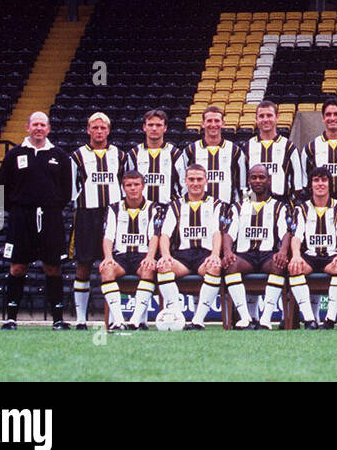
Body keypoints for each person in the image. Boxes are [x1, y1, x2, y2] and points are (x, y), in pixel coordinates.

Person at [0, 111, 71, 331]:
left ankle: (57, 319)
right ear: (27, 127)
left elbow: (66, 190)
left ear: (48, 129)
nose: (39, 128)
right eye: (35, 124)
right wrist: (18, 209)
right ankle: (10, 318)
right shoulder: (14, 155)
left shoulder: (59, 155)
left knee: (53, 267)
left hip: (50, 217)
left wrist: (52, 206)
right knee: (18, 267)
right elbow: (1, 188)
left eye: (43, 125)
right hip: (22, 218)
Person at [156, 163, 228, 329]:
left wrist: (215, 255)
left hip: (205, 255)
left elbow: (217, 233)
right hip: (183, 257)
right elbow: (165, 234)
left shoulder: (216, 204)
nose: (195, 183)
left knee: (215, 267)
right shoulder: (175, 205)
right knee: (163, 265)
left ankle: (198, 320)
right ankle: (175, 315)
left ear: (206, 181)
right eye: (191, 179)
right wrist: (165, 254)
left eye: (199, 179)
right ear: (185, 182)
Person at [221, 164, 293, 329]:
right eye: (254, 177)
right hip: (245, 256)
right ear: (249, 181)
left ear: (269, 180)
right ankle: (245, 318)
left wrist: (282, 251)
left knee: (279, 264)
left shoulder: (279, 206)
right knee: (230, 265)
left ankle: (266, 319)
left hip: (268, 254)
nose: (258, 181)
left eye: (262, 177)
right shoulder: (239, 206)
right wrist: (227, 252)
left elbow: (286, 232)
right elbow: (228, 233)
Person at [70, 111, 122, 329]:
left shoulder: (119, 155)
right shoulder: (77, 156)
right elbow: (72, 189)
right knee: (83, 264)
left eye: (103, 128)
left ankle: (113, 318)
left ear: (108, 130)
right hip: (86, 214)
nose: (99, 131)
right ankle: (81, 318)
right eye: (95, 127)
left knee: (112, 263)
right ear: (88, 130)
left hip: (112, 215)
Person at [285, 167, 337, 329]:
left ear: (330, 184)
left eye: (324, 180)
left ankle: (330, 320)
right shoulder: (302, 208)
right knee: (294, 267)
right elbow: (297, 236)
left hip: (331, 256)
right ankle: (309, 320)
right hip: (310, 256)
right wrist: (296, 255)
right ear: (310, 184)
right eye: (316, 180)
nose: (320, 184)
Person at [97, 171, 160, 330]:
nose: (133, 188)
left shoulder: (153, 207)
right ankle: (118, 320)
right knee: (106, 269)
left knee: (149, 268)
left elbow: (154, 236)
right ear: (123, 187)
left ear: (143, 186)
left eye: (136, 185)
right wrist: (108, 257)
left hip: (142, 255)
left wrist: (150, 257)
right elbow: (108, 236)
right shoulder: (114, 208)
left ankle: (135, 320)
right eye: (129, 185)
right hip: (121, 257)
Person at [289, 98, 337, 204]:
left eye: (336, 114)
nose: (332, 118)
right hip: (319, 205)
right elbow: (305, 184)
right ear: (323, 118)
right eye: (328, 114)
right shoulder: (310, 149)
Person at [180, 106, 242, 208]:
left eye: (217, 121)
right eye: (209, 121)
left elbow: (241, 185)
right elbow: (183, 183)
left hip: (226, 209)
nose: (213, 124)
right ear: (203, 124)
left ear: (223, 123)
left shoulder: (234, 151)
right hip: (198, 208)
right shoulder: (190, 150)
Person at [238, 100, 294, 202]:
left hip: (281, 202)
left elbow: (297, 185)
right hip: (254, 203)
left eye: (269, 115)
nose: (265, 119)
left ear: (277, 118)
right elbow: (243, 185)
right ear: (256, 119)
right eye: (261, 116)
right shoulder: (248, 146)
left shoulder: (288, 146)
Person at [124, 108, 181, 207]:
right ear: (144, 127)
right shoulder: (134, 154)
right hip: (141, 210)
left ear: (165, 128)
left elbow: (183, 183)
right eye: (150, 125)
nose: (154, 128)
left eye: (158, 125)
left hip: (168, 209)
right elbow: (126, 183)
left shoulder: (175, 154)